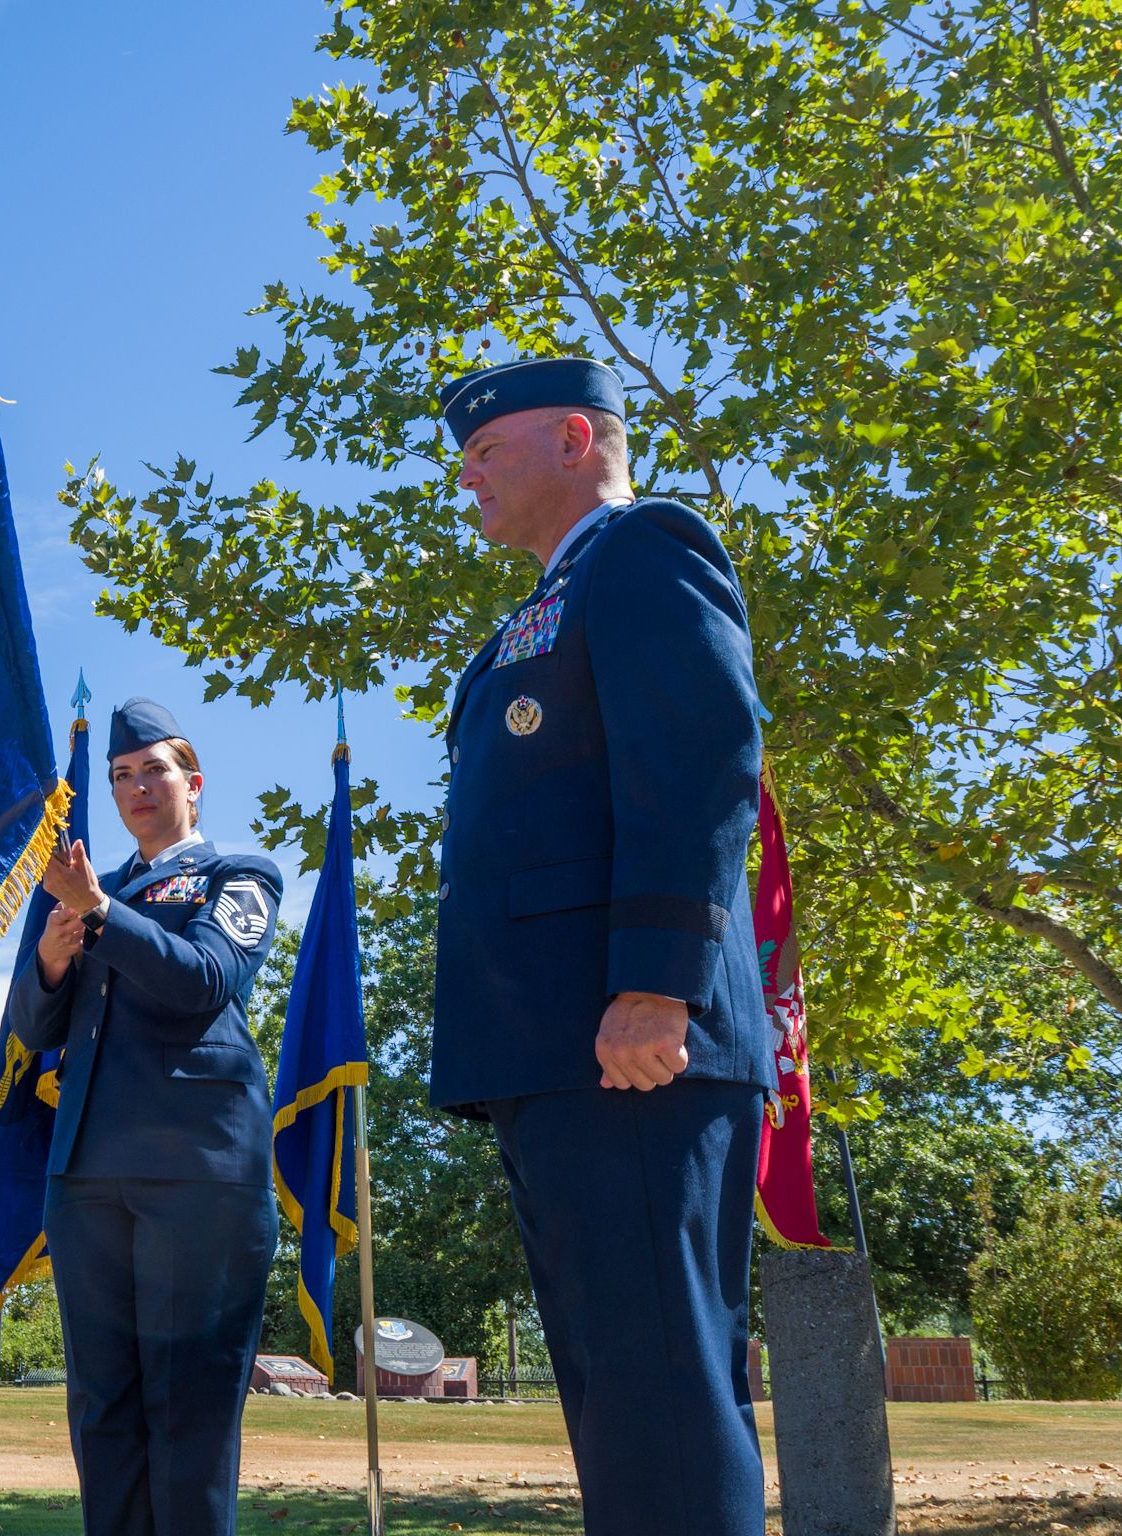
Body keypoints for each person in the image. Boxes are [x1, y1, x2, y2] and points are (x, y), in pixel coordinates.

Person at [430, 356, 776, 1536]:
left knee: (660, 1394)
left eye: (484, 452)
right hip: (554, 1045)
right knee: (620, 1399)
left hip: (630, 1040)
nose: (463, 477)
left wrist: (652, 983)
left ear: (576, 436)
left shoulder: (641, 551)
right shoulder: (541, 604)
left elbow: (696, 759)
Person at [8, 697, 283, 1536]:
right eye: (121, 775)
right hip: (88, 1170)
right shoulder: (96, 890)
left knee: (189, 1408)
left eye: (153, 770)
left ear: (192, 785)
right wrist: (52, 962)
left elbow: (203, 978)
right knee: (102, 1411)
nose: (134, 787)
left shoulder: (239, 874)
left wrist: (97, 915)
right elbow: (32, 1029)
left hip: (197, 1172)